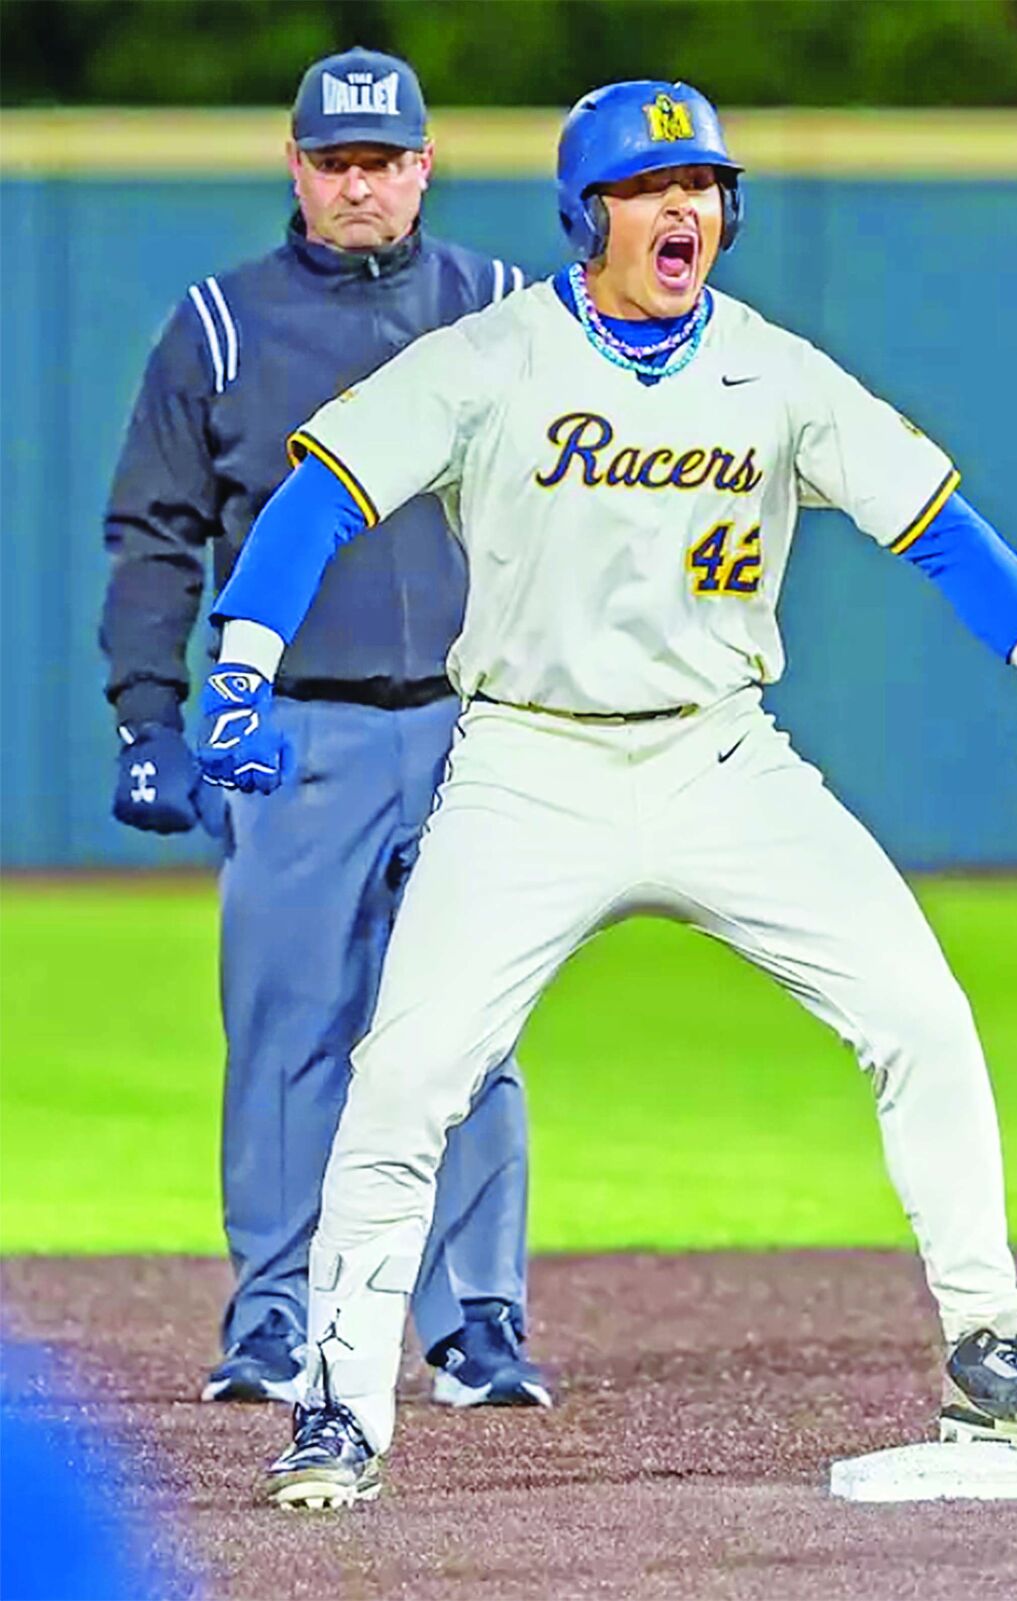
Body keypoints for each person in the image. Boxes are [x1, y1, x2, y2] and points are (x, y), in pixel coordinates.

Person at [196, 79, 1017, 1510]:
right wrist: (244, 663)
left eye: (701, 184)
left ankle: (988, 1338)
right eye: (649, 187)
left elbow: (933, 522)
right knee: (403, 1078)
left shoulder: (772, 372)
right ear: (588, 215)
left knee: (920, 1015)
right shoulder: (491, 358)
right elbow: (321, 491)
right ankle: (337, 1402)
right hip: (528, 765)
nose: (682, 206)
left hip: (721, 753)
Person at [101, 46, 550, 1412]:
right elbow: (155, 536)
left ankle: (474, 1317)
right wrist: (148, 714)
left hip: (473, 730)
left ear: (424, 166)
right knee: (288, 1028)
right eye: (335, 160)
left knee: (469, 1031)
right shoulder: (221, 327)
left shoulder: (502, 308)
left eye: (384, 158)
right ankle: (276, 1311)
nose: (360, 183)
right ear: (294, 169)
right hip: (294, 734)